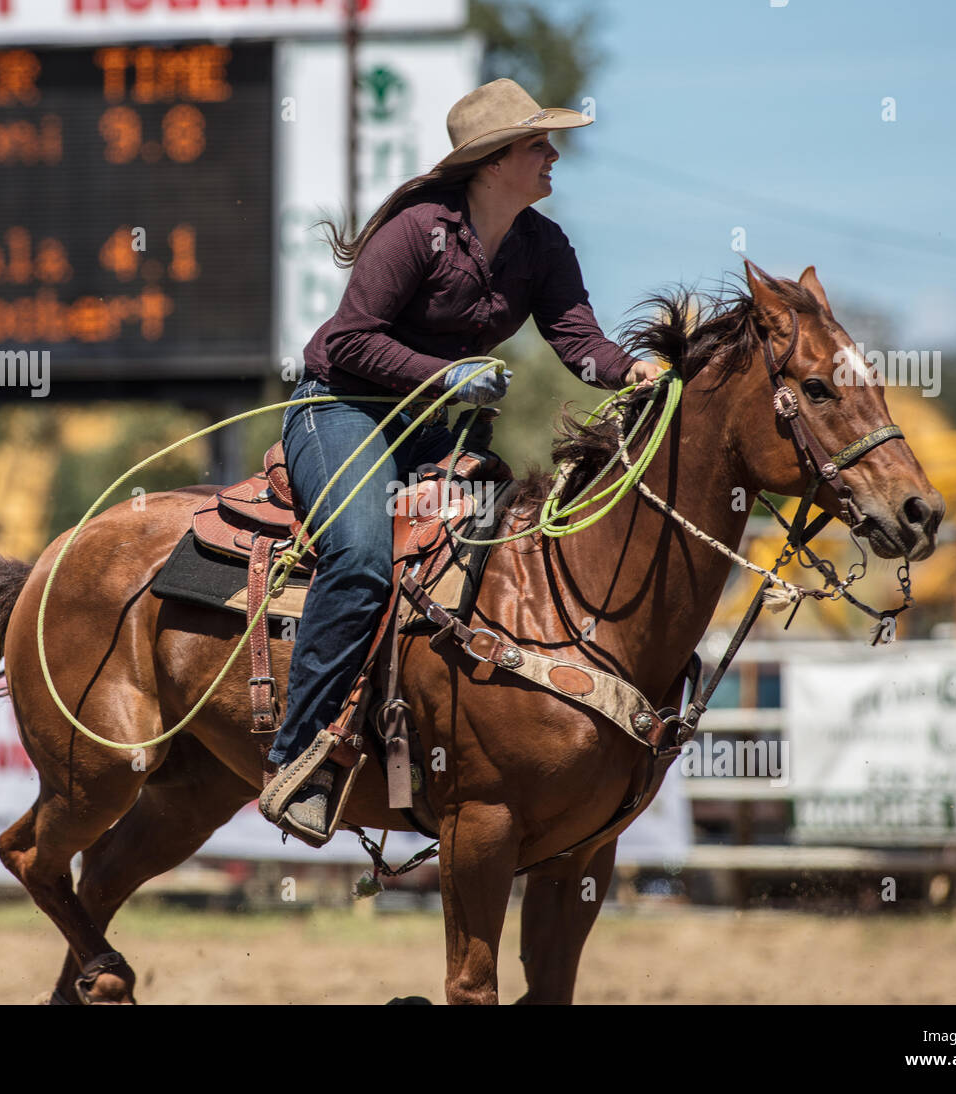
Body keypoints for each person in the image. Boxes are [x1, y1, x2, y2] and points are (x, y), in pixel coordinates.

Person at [270, 78, 666, 837]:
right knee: (357, 557)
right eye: (536, 144)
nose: (554, 155)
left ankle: (443, 728)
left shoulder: (542, 246)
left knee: (507, 546)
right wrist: (443, 374)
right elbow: (351, 339)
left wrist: (633, 371)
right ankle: (301, 758)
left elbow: (578, 341)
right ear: (491, 163)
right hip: (341, 409)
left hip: (431, 429)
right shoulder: (417, 230)